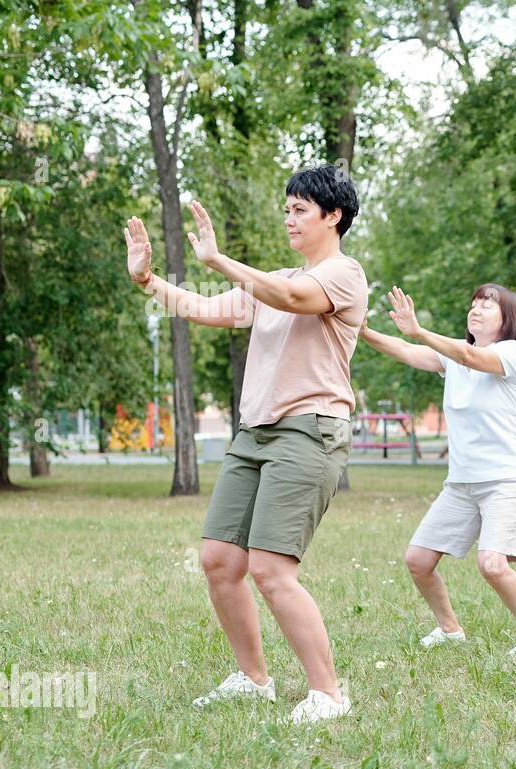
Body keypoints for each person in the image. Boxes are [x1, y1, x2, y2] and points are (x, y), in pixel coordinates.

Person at [124, 164, 364, 723]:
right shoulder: (272, 280)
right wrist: (147, 282)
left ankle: (328, 695)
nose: (290, 219)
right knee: (219, 559)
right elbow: (206, 309)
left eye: (300, 209)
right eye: (287, 209)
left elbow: (290, 295)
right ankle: (254, 679)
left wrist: (217, 260)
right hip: (254, 435)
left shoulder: (343, 275)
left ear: (333, 216)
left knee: (271, 570)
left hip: (309, 432)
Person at [359, 284, 516, 658]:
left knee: (492, 565)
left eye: (487, 306)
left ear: (507, 320)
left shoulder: (507, 354)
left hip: (503, 479)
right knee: (418, 560)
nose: (476, 310)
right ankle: (449, 630)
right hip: (462, 482)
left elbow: (465, 353)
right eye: (474, 304)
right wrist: (362, 332)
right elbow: (407, 352)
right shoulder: (453, 361)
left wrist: (419, 330)